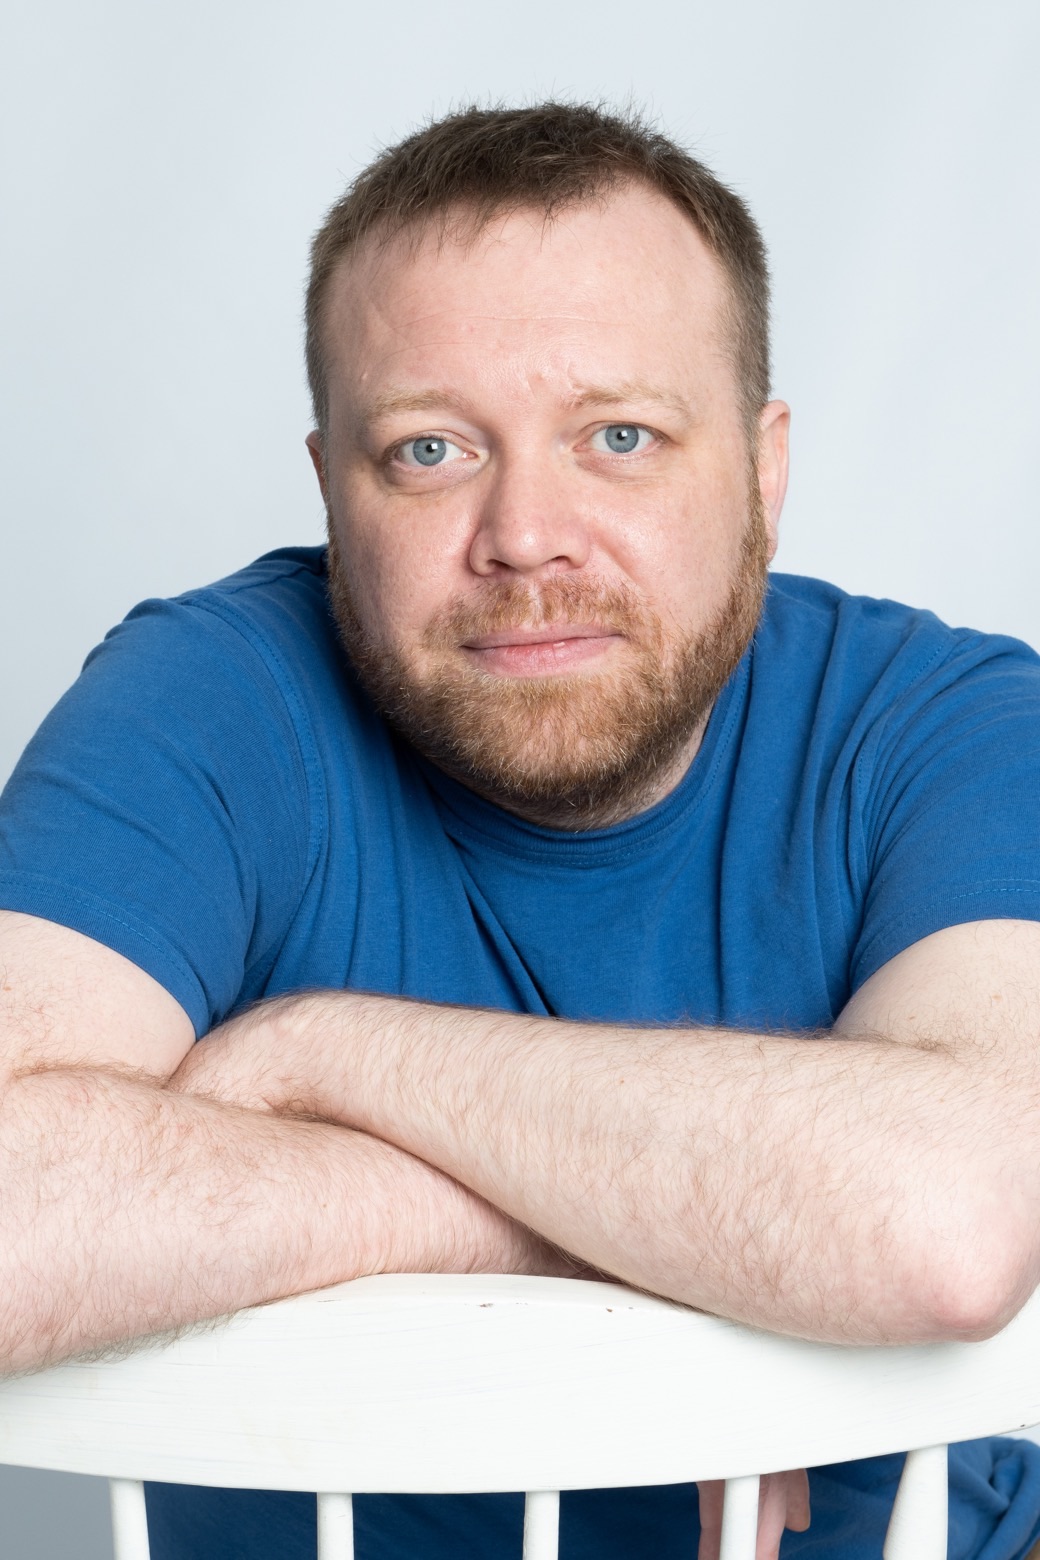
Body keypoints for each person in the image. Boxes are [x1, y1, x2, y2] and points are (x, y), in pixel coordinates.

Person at [1, 100, 1040, 1560]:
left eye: (620, 436)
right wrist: (594, 1225)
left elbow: (948, 1228)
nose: (526, 536)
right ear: (331, 486)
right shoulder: (210, 696)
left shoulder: (948, 721)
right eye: (430, 450)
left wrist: (319, 1057)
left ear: (763, 471)